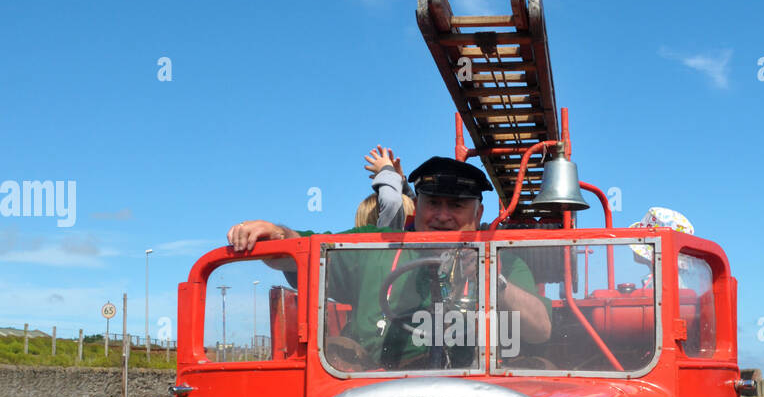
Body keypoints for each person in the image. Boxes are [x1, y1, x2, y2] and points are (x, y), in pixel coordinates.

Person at [226, 154, 551, 367]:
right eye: (433, 203)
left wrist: (494, 283)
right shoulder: (375, 247)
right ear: (417, 204)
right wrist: (275, 234)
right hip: (377, 396)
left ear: (478, 213)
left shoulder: (501, 261)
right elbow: (300, 254)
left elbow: (540, 330)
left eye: (456, 206)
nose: (442, 215)